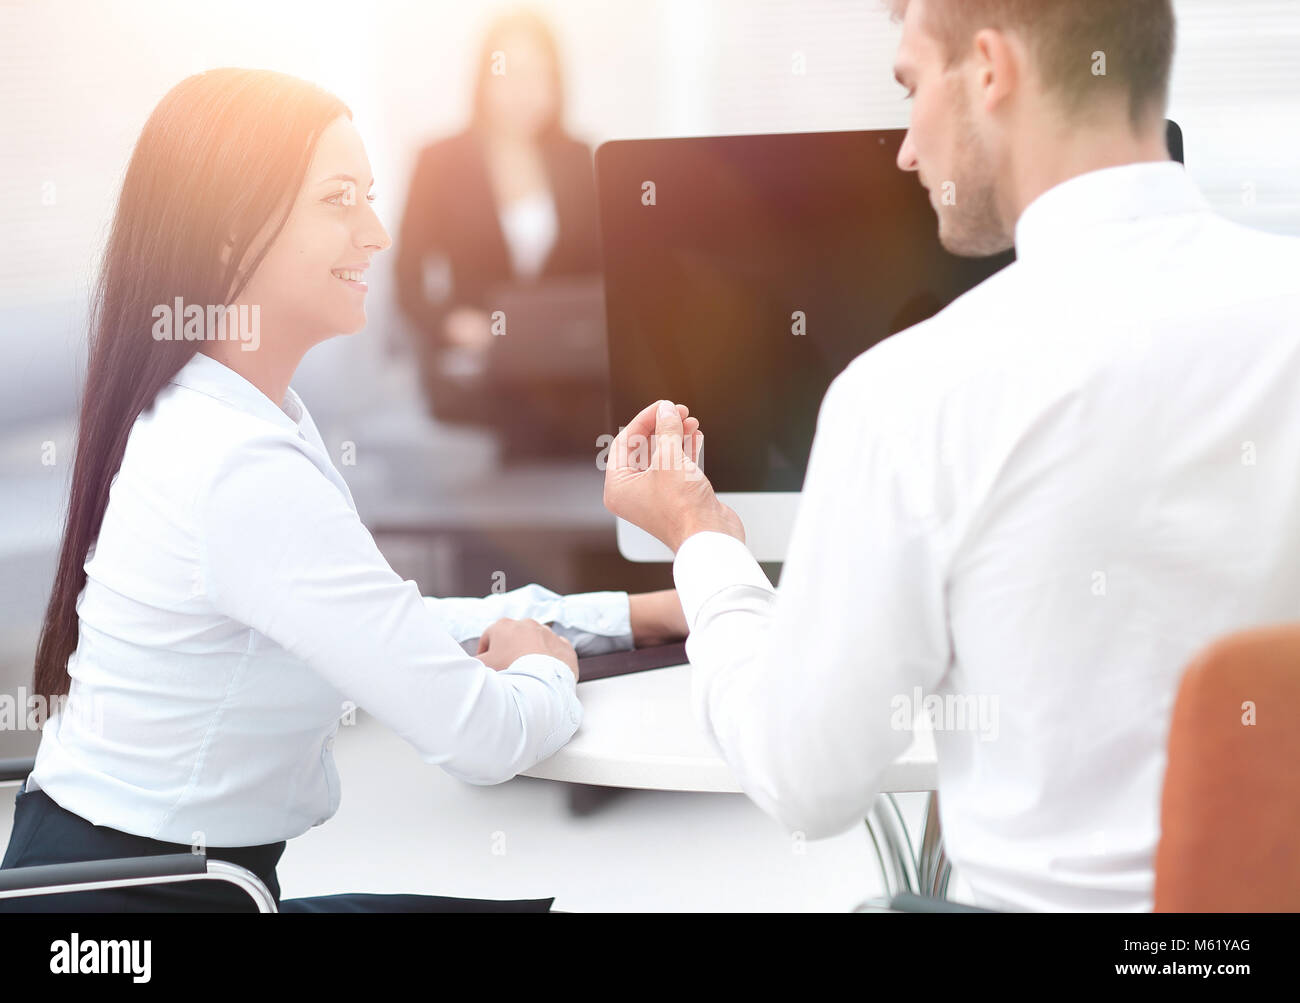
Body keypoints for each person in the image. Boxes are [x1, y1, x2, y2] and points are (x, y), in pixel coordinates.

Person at [603, 0, 1300, 911]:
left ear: (989, 70)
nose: (903, 147)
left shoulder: (912, 392)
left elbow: (807, 778)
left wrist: (698, 534)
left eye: (910, 84)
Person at [0, 67, 689, 913]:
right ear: (229, 234)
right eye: (339, 199)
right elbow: (479, 734)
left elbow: (378, 618)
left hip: (121, 880)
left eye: (369, 195)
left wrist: (627, 614)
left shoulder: (243, 416)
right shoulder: (235, 464)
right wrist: (545, 671)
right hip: (131, 907)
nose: (377, 232)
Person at [395, 9, 606, 460]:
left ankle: (589, 524)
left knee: (596, 405)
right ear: (484, 80)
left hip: (562, 360)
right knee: (533, 414)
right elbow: (407, 278)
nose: (523, 92)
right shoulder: (439, 161)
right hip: (478, 361)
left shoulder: (577, 157)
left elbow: (598, 271)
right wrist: (455, 325)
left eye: (538, 77)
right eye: (509, 74)